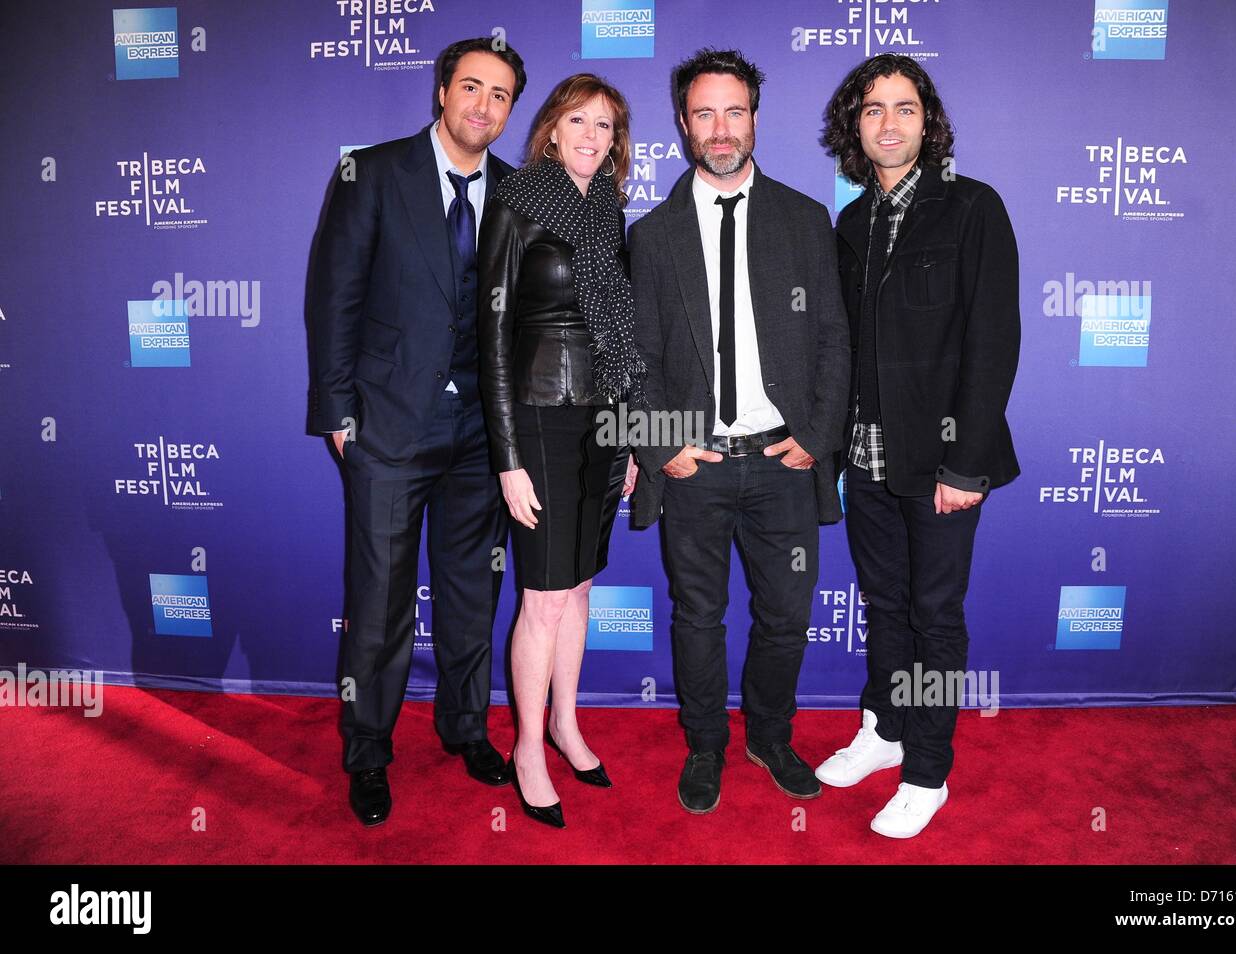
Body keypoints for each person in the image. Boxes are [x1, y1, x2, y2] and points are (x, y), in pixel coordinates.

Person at [306, 37, 527, 827]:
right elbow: (332, 295)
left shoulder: (516, 191)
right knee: (379, 603)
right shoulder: (371, 171)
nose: (483, 106)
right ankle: (367, 749)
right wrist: (336, 411)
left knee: (475, 591)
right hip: (389, 426)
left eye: (500, 95)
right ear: (442, 91)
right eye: (471, 87)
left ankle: (465, 728)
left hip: (480, 432)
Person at [629, 49, 850, 815]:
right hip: (697, 467)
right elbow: (640, 358)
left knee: (787, 615)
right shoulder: (653, 236)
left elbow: (833, 340)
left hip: (785, 461)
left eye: (734, 111)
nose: (720, 129)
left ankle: (771, 734)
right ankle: (705, 747)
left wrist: (817, 437)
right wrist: (663, 447)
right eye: (703, 113)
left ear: (755, 117)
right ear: (684, 125)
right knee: (698, 617)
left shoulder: (802, 218)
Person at [814, 53, 1021, 838]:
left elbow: (993, 340)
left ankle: (927, 770)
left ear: (927, 123)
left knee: (935, 614)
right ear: (855, 128)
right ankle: (887, 728)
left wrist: (965, 462)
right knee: (886, 605)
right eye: (873, 110)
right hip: (867, 458)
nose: (889, 123)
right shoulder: (853, 222)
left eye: (905, 108)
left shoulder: (973, 208)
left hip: (943, 461)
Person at [477, 73, 641, 829]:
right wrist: (508, 457)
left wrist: (634, 436)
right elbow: (493, 340)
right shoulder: (516, 203)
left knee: (578, 589)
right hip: (539, 420)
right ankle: (527, 749)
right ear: (550, 128)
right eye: (578, 120)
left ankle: (567, 723)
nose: (591, 136)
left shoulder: (609, 212)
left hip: (605, 426)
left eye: (605, 126)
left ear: (616, 143)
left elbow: (625, 338)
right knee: (543, 597)